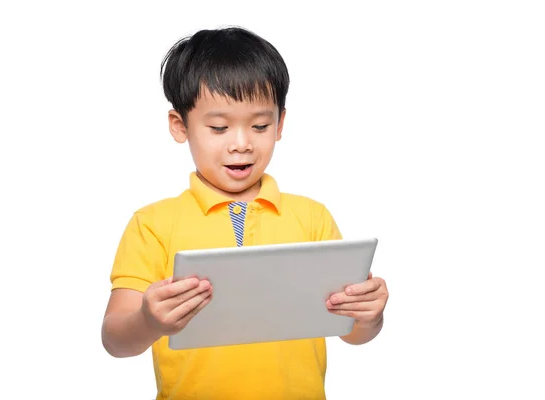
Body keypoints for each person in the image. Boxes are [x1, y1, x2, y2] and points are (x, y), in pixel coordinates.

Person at [101, 26, 389, 400]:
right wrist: (147, 320)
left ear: (280, 124)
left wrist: (370, 315)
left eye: (260, 125)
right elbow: (115, 340)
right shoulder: (153, 224)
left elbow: (352, 332)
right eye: (219, 127)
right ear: (180, 126)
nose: (242, 144)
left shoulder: (311, 217)